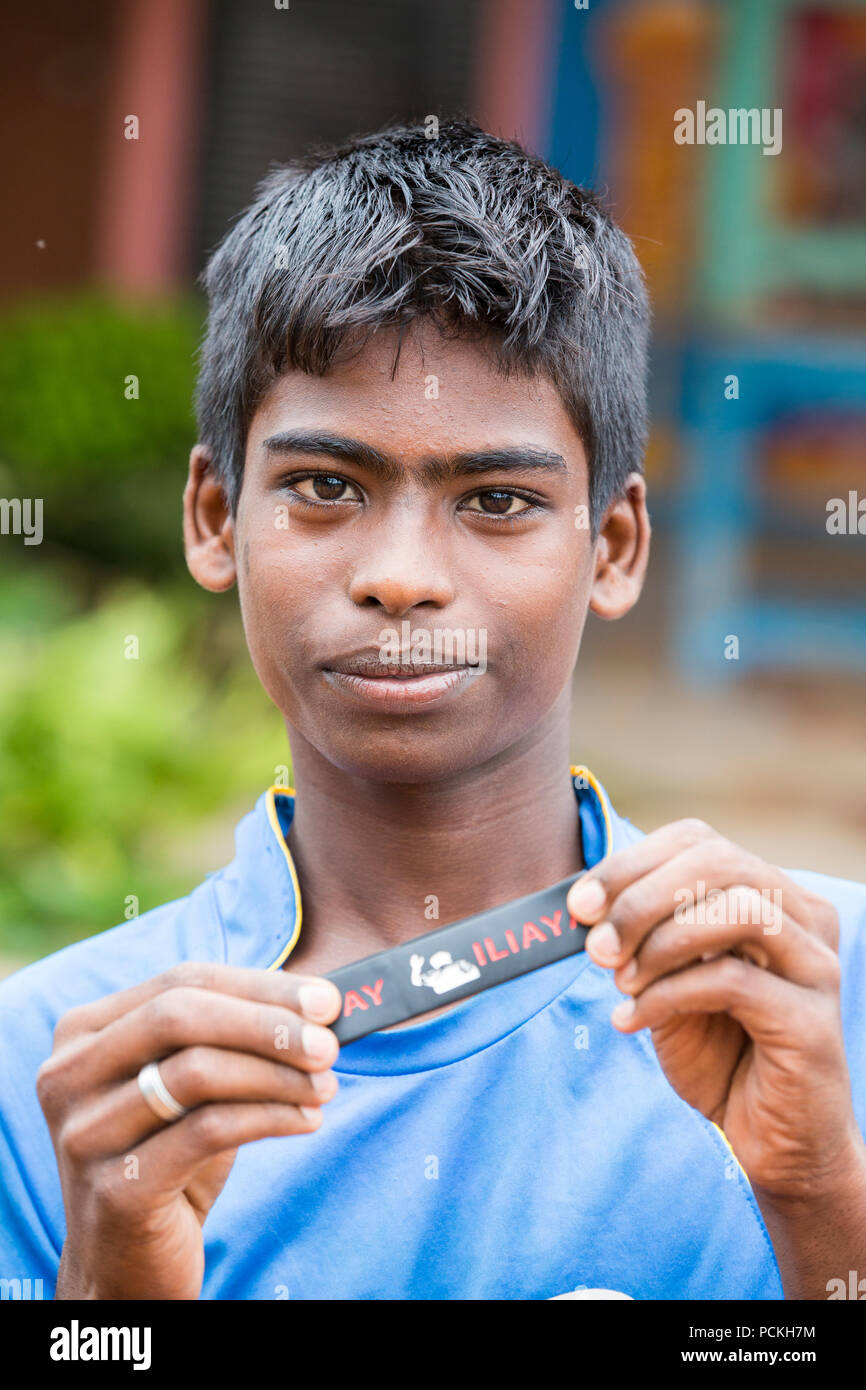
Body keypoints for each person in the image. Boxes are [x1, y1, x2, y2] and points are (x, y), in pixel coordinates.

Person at [1, 117, 864, 1302]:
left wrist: (819, 1199)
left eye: (497, 498)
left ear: (610, 546)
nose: (400, 574)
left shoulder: (821, 990)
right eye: (322, 486)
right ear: (214, 519)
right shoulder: (61, 1071)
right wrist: (113, 1296)